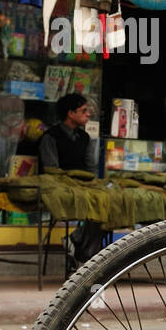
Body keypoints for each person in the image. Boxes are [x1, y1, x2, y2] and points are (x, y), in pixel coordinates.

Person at [39, 92, 105, 262]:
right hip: (61, 188)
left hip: (84, 187)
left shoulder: (85, 137)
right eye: (83, 111)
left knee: (105, 205)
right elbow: (51, 169)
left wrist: (93, 183)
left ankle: (77, 242)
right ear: (70, 113)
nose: (88, 114)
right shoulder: (50, 137)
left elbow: (91, 167)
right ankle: (83, 255)